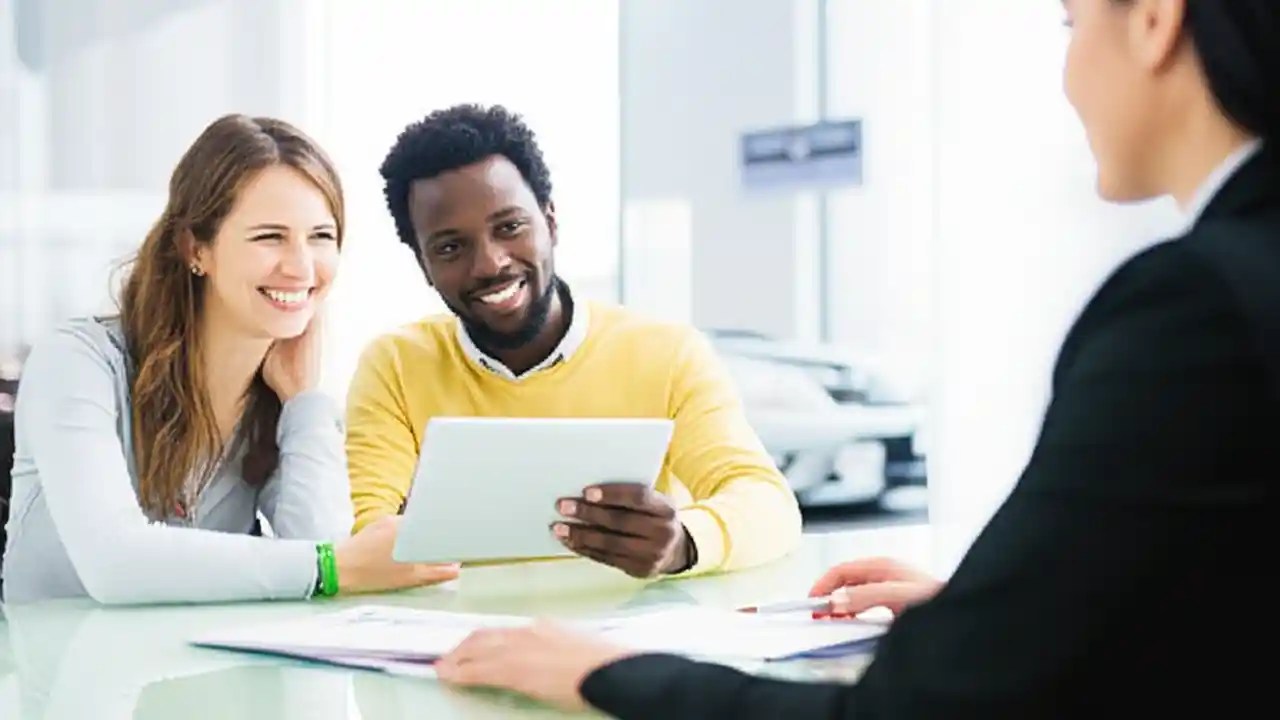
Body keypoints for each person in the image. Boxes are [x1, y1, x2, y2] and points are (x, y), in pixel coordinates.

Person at [432, 0, 1280, 715]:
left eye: (1069, 24)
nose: (1066, 76)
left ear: (1156, 21)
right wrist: (1007, 613)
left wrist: (600, 672)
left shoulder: (1197, 305)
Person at [1, 114, 457, 605]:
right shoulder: (77, 362)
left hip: (196, 672)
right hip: (56, 675)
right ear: (195, 248)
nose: (302, 267)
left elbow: (325, 560)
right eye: (270, 237)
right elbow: (114, 565)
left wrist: (304, 402)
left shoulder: (278, 398)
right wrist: (331, 566)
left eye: (321, 237)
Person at [346, 104, 801, 579]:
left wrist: (684, 543)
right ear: (423, 265)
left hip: (626, 638)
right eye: (450, 247)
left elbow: (766, 502)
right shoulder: (395, 365)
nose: (489, 263)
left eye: (510, 227)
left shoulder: (666, 354)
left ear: (551, 222)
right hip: (460, 641)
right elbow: (369, 531)